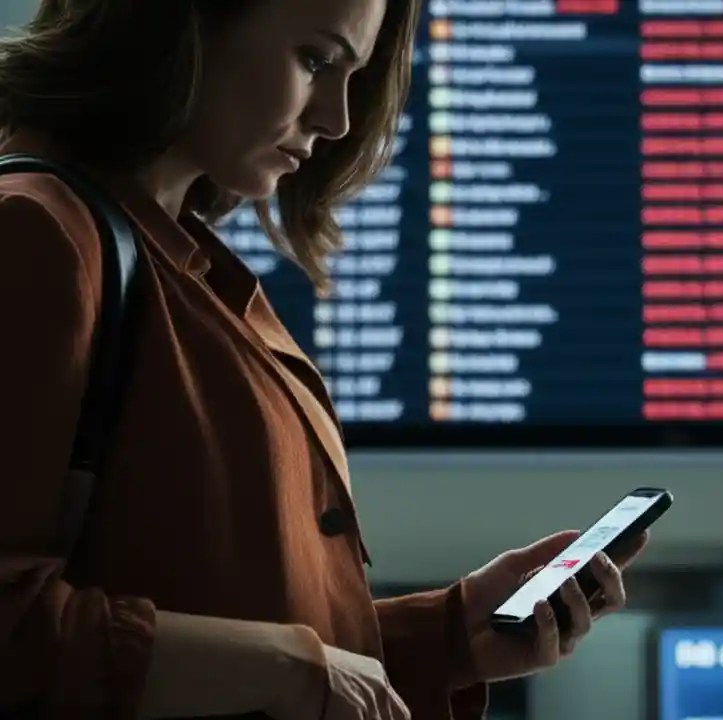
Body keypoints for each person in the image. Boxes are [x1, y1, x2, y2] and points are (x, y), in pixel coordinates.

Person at [0, 0, 648, 718]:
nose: (337, 119)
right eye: (315, 60)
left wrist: (449, 636)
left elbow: (210, 634)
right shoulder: (37, 236)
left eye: (352, 75)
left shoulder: (176, 264)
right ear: (182, 24)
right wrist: (292, 666)